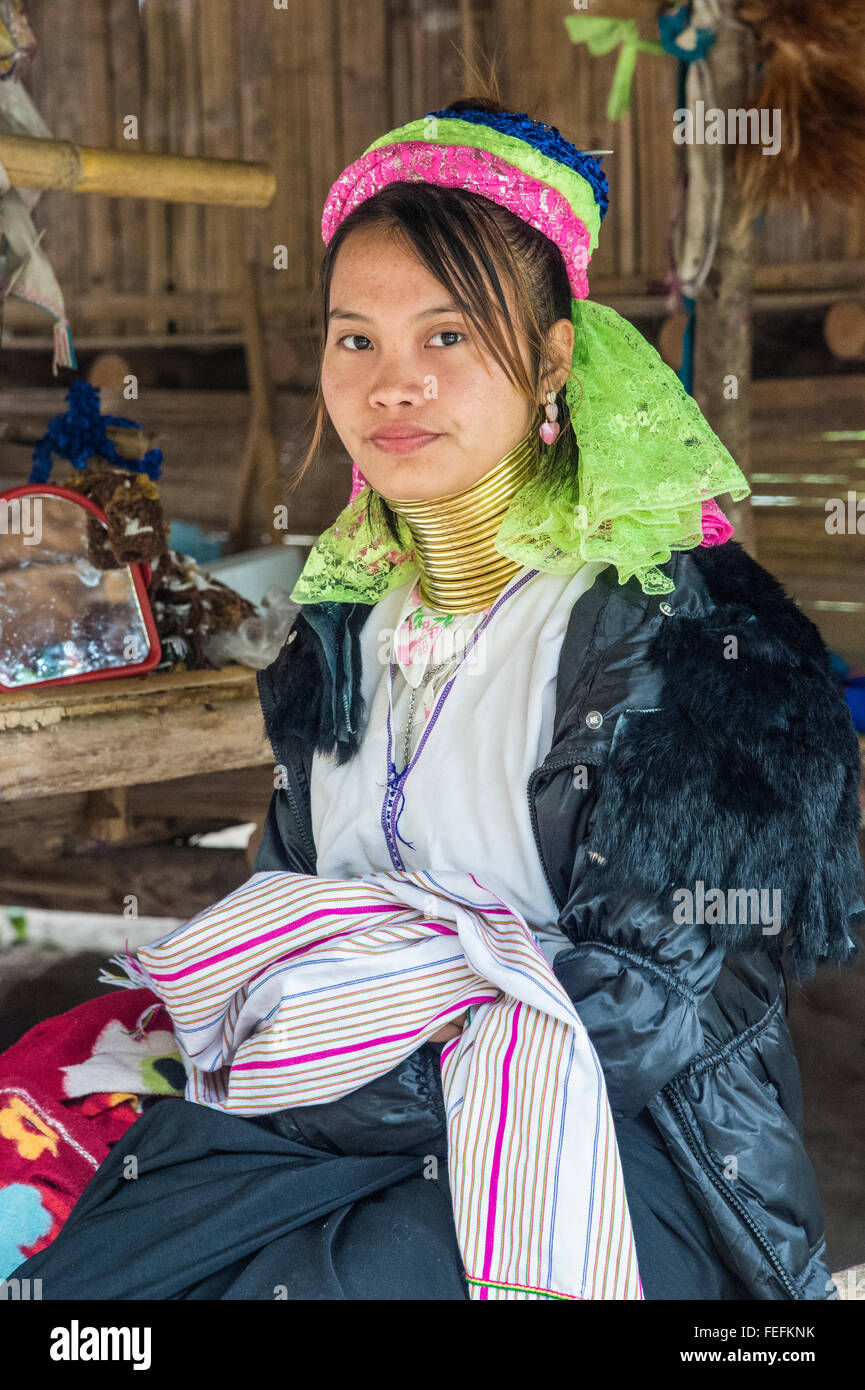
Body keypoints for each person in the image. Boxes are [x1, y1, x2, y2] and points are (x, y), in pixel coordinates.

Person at [11, 96, 864, 1303]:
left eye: (447, 336)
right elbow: (294, 901)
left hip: (623, 1144)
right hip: (345, 1113)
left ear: (556, 356)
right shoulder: (344, 627)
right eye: (355, 339)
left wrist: (316, 1083)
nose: (391, 384)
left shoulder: (692, 635)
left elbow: (648, 1006)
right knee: (82, 1266)